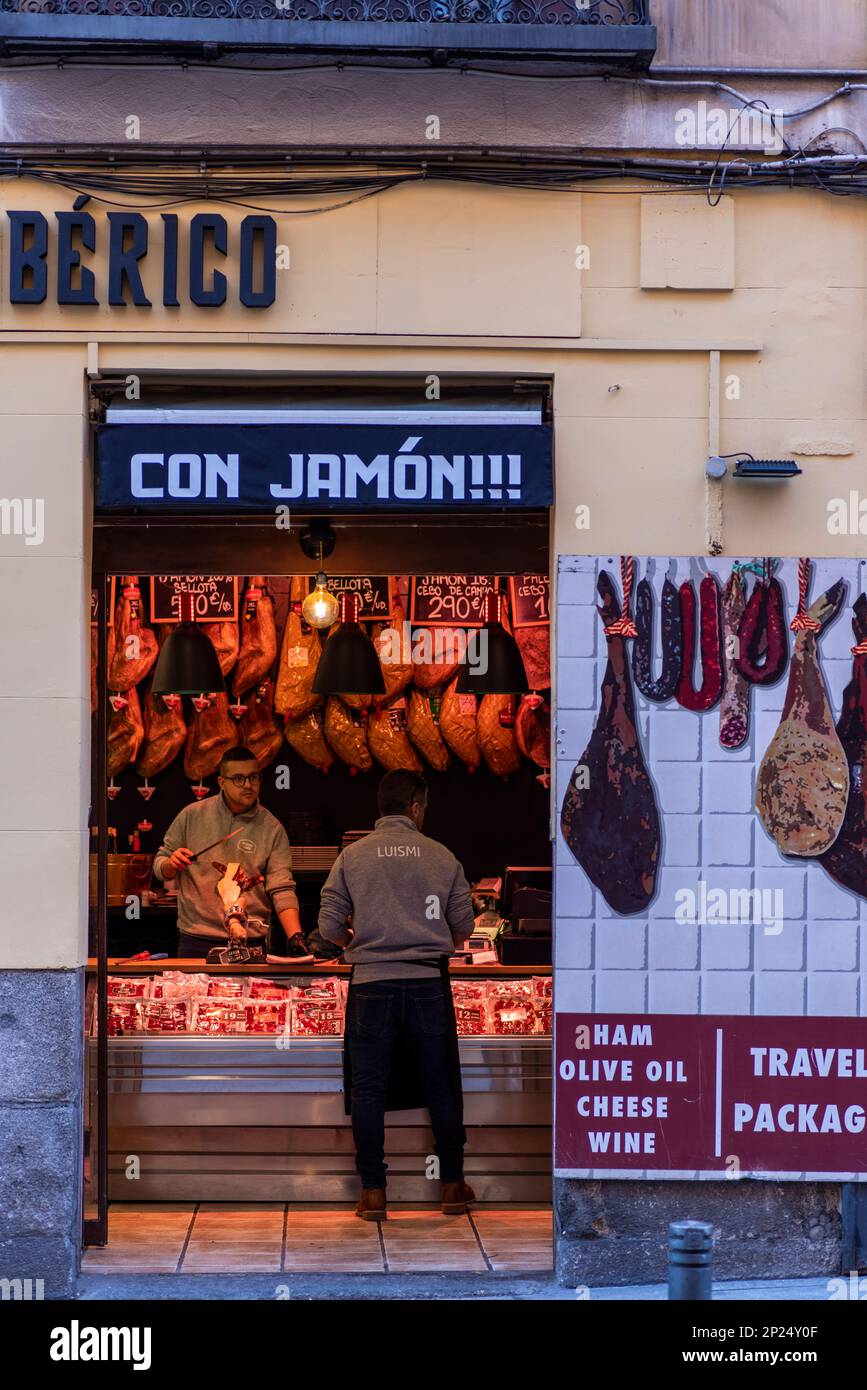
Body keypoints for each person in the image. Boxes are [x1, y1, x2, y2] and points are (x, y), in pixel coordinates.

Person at [318, 769, 477, 1222]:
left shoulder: (353, 857)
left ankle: (373, 1192)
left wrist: (358, 943)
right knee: (442, 1086)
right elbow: (464, 928)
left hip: (370, 985)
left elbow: (328, 927)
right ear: (415, 808)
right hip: (427, 984)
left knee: (367, 1091)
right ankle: (452, 1186)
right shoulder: (442, 857)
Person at [153, 745, 312, 960]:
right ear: (222, 782)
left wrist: (295, 936)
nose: (248, 785)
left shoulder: (272, 828)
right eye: (238, 778)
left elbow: (281, 888)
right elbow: (160, 865)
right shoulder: (192, 815)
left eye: (253, 777)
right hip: (196, 939)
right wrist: (171, 864)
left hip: (250, 941)